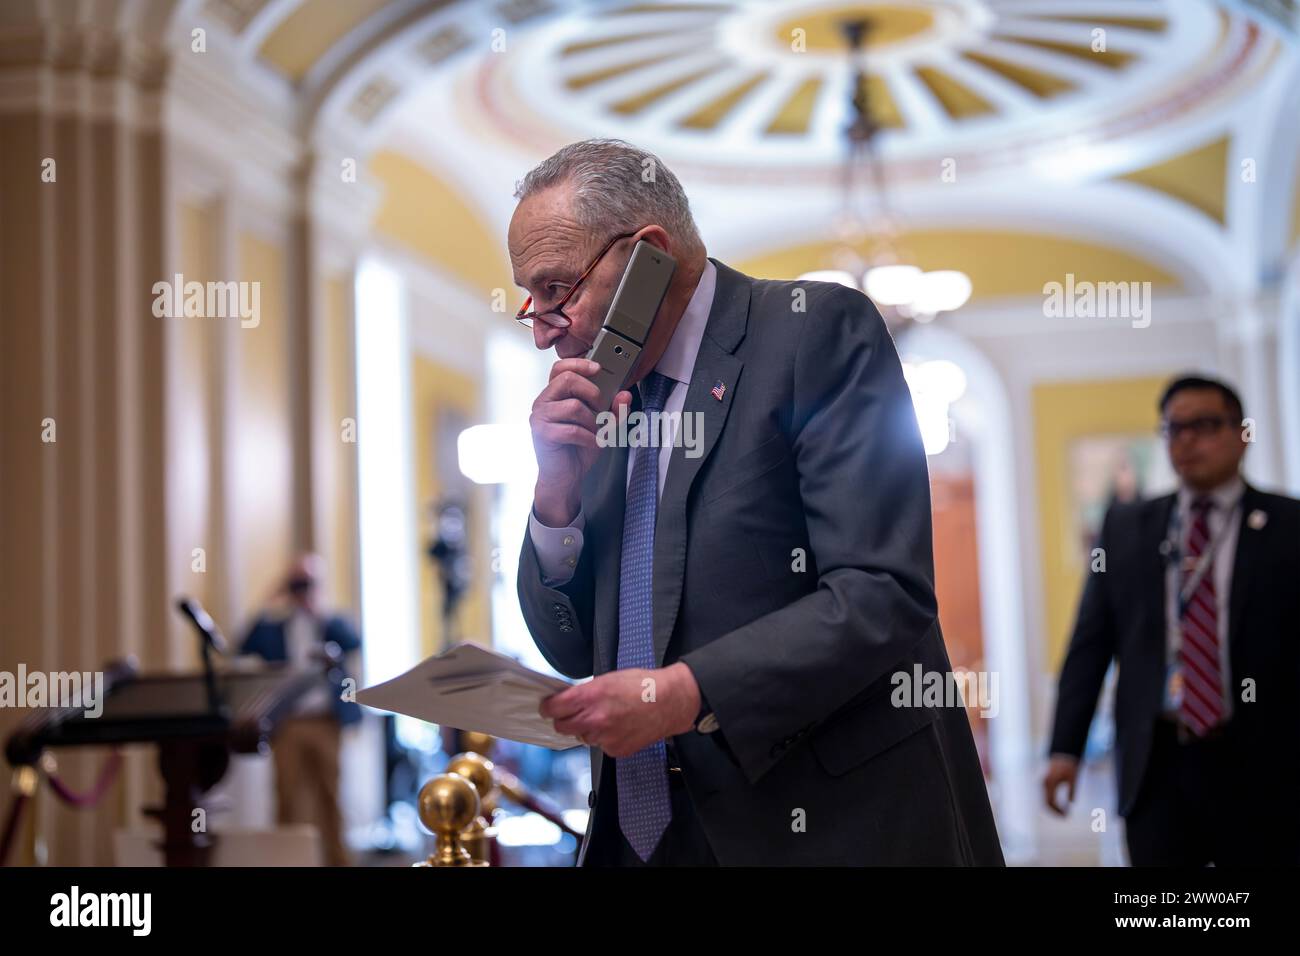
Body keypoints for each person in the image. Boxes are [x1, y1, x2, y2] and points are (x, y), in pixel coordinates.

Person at [511, 139, 1003, 866]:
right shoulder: (599, 403)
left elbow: (882, 593)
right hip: (645, 838)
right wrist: (555, 496)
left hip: (828, 829)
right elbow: (574, 647)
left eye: (558, 289)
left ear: (650, 254)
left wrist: (686, 693)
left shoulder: (813, 331)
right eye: (532, 300)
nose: (544, 325)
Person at [1045, 375, 1300, 865]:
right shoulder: (1126, 527)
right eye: (1174, 428)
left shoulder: (1287, 526)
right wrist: (1064, 750)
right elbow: (1090, 643)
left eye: (1204, 425)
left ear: (1241, 433)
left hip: (1262, 757)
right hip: (1157, 760)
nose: (1187, 440)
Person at [240, 553, 361, 866]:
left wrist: (319, 608)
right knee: (287, 796)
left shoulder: (328, 622)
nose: (301, 590)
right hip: (288, 723)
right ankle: (288, 861)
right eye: (296, 583)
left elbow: (352, 641)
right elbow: (244, 644)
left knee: (330, 797)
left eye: (307, 583)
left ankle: (338, 861)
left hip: (325, 722)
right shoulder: (275, 626)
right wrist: (272, 597)